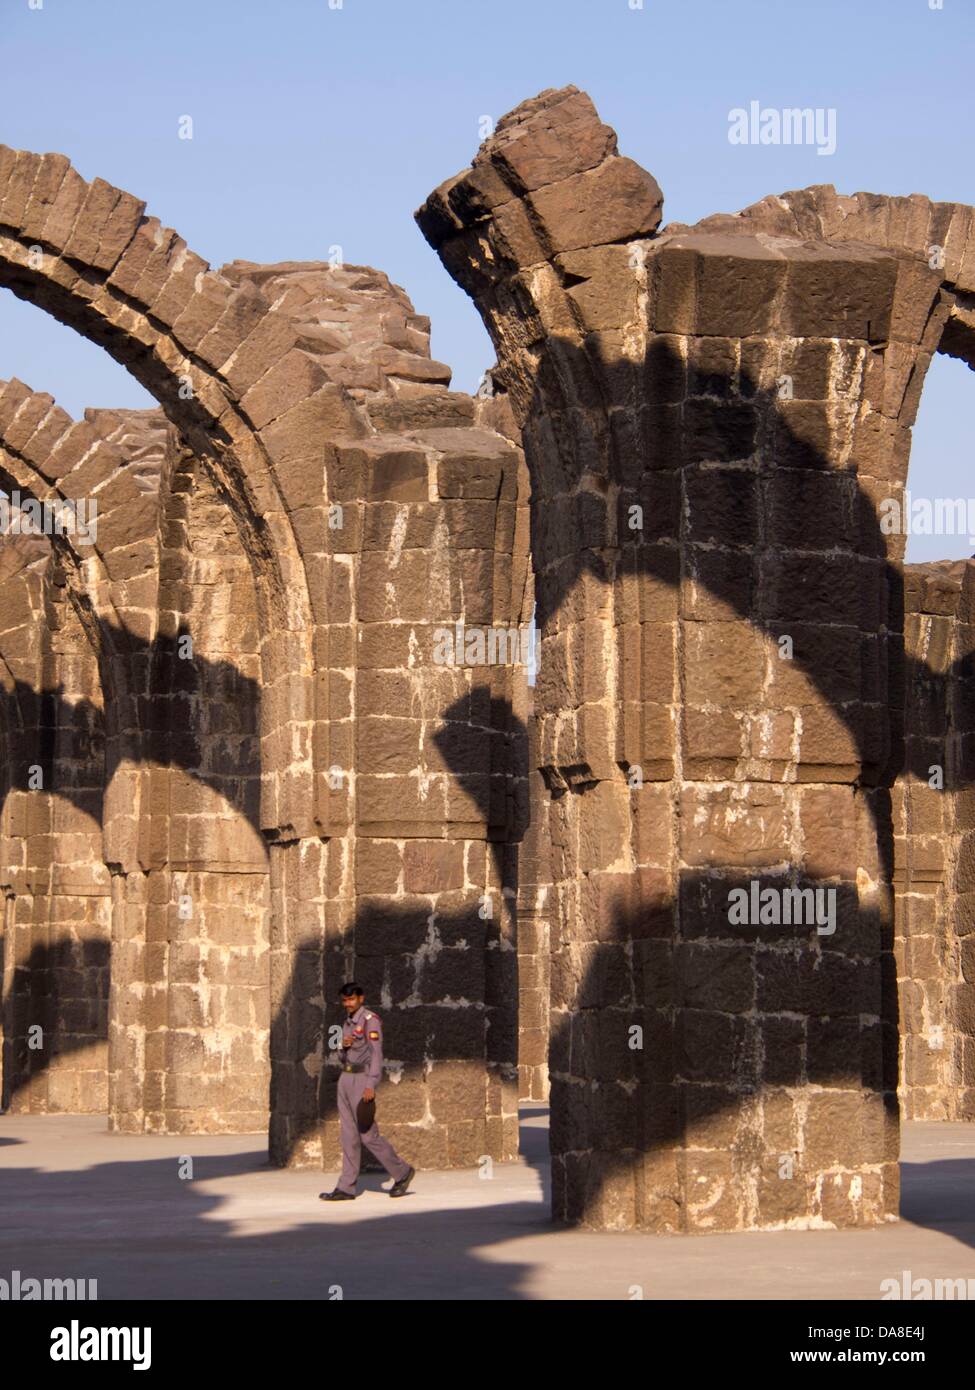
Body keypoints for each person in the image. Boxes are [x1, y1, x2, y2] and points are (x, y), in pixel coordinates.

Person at [319, 982, 415, 1202]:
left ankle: (402, 1172)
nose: (348, 1003)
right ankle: (346, 1186)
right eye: (345, 1000)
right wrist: (343, 1046)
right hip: (345, 1078)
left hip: (362, 1080)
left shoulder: (371, 1021)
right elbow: (340, 1056)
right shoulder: (344, 1024)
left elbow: (376, 1055)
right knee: (348, 1136)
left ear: (361, 999)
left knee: (368, 1135)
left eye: (352, 999)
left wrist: (371, 1085)